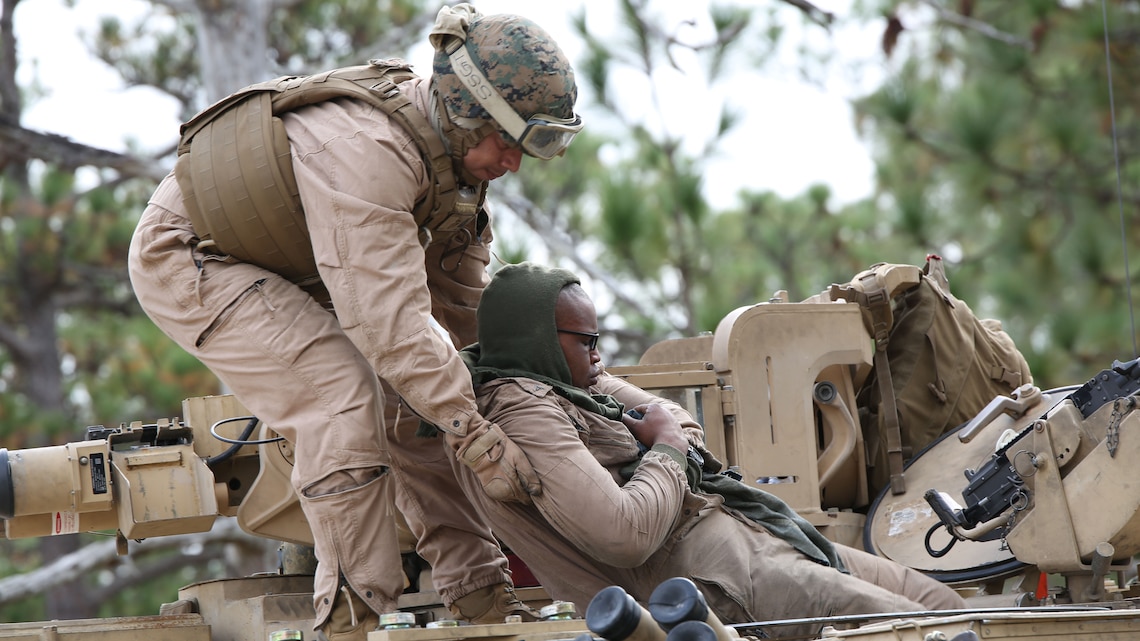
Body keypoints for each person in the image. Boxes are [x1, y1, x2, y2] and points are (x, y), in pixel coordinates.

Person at [127, 5, 582, 640]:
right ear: (467, 113)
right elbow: (390, 327)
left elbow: (456, 322)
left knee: (422, 407)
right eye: (509, 142)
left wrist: (500, 405)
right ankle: (350, 621)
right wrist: (477, 439)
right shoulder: (369, 153)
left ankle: (480, 595)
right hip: (195, 257)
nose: (514, 164)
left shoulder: (455, 170)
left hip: (295, 263)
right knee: (340, 401)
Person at [447, 262, 968, 640]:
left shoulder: (571, 380)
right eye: (586, 340)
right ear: (539, 340)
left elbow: (681, 421)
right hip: (713, 575)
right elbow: (624, 533)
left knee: (945, 608)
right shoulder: (523, 412)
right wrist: (668, 450)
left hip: (754, 536)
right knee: (922, 632)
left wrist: (668, 440)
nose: (599, 355)